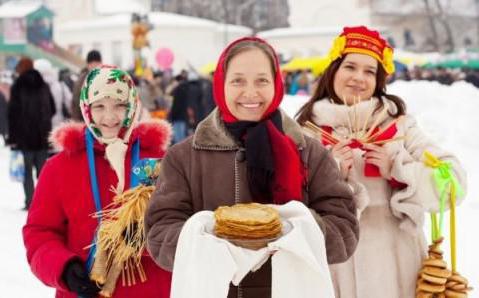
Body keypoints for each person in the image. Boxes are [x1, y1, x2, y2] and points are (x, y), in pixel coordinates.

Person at [145, 37, 359, 298]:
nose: (250, 92)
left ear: (276, 84)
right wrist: (209, 237)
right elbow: (158, 235)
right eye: (237, 81)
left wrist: (294, 230)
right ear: (221, 84)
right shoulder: (183, 157)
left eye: (261, 80)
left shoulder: (309, 152)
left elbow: (344, 233)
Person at [296, 26, 467, 298]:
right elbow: (289, 207)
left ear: (379, 80)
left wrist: (400, 169)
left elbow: (454, 184)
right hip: (335, 270)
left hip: (401, 272)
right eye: (350, 67)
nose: (358, 78)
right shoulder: (305, 134)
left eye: (369, 71)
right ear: (333, 71)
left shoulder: (400, 128)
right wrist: (329, 175)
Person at [23, 65, 172, 297]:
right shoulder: (59, 167)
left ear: (133, 106)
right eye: (99, 106)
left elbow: (181, 224)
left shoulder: (163, 162)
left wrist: (148, 238)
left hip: (151, 289)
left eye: (120, 105)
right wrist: (64, 268)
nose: (110, 117)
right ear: (86, 108)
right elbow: (40, 233)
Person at [7, 57, 55, 209]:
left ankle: (30, 202)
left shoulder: (17, 86)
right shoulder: (44, 85)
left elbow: (12, 114)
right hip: (42, 137)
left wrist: (12, 138)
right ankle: (44, 203)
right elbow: (52, 108)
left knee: (27, 173)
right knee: (43, 174)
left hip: (25, 140)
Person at [71, 50, 102, 121]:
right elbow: (75, 103)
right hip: (85, 120)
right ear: (88, 65)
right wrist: (77, 123)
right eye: (92, 64)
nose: (95, 67)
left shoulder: (106, 78)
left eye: (97, 64)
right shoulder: (81, 81)